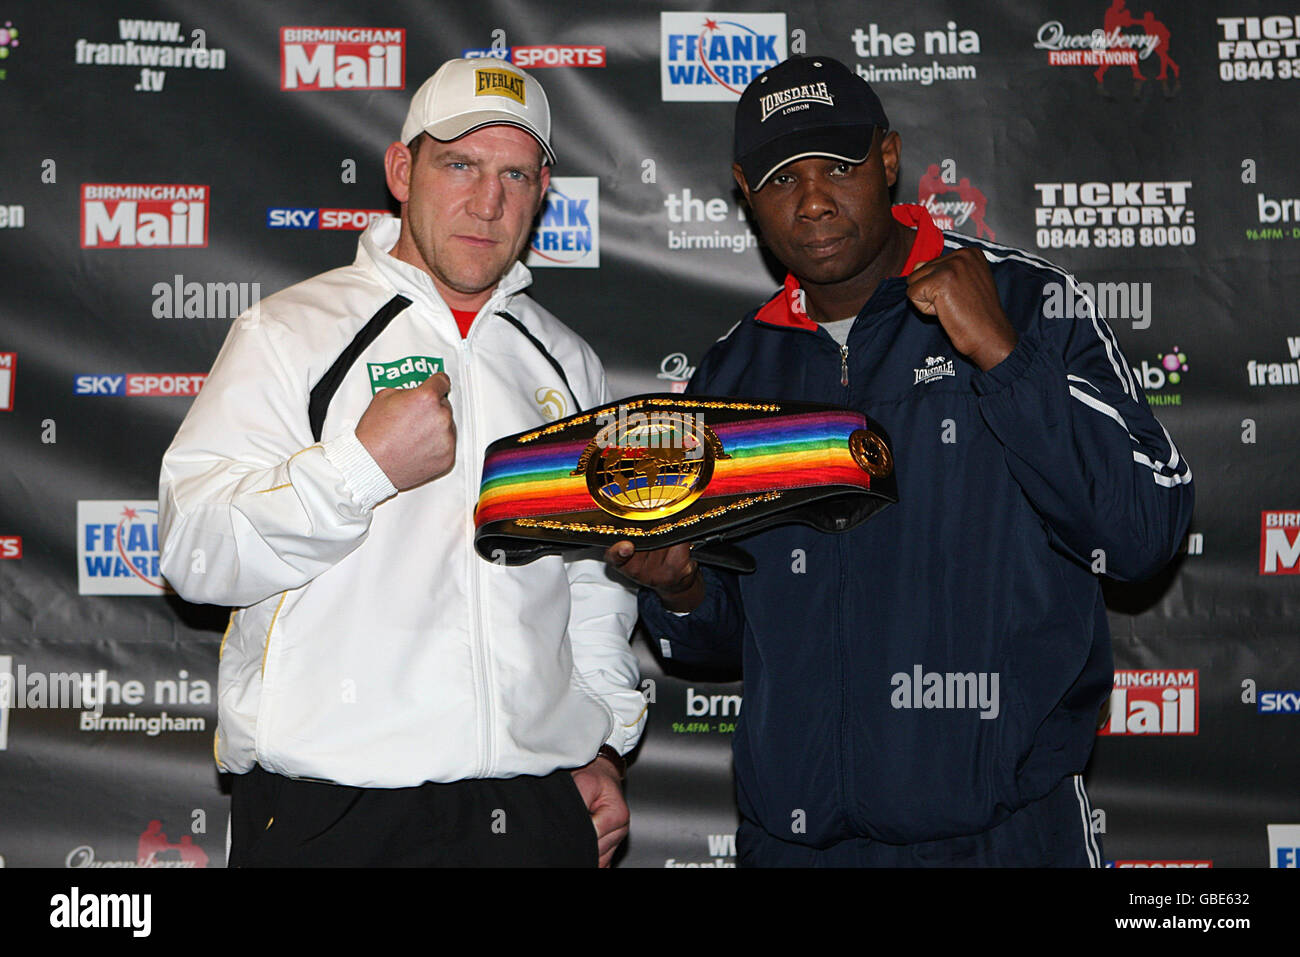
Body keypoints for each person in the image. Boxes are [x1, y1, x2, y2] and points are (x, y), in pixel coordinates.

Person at [609, 55, 1193, 866]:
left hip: (1004, 840)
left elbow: (1143, 534)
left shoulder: (1026, 304)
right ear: (745, 190)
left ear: (888, 159)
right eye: (782, 178)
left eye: (839, 166)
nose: (813, 199)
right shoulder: (734, 375)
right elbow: (721, 641)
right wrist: (679, 586)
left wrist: (1001, 355)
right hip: (798, 846)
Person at [158, 58, 645, 867]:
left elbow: (592, 580)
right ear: (400, 169)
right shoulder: (292, 334)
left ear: (543, 192)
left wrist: (599, 738)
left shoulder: (566, 362)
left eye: (515, 174)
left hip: (529, 809)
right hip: (337, 812)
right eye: (460, 164)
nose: (487, 202)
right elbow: (193, 550)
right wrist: (362, 468)